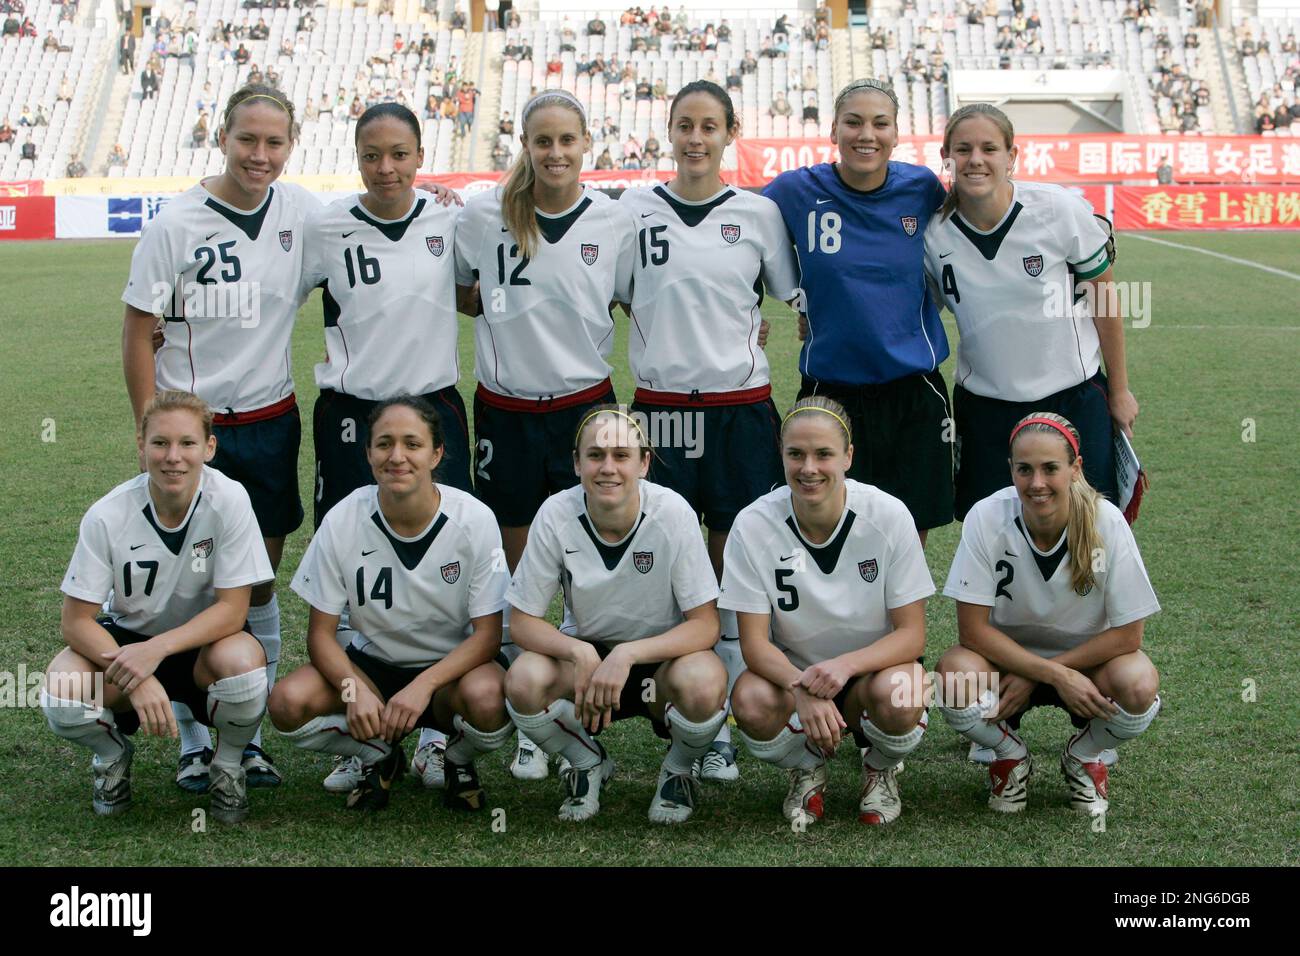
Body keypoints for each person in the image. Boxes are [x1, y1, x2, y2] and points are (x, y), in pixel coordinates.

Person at [121, 84, 320, 795]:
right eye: (247, 140)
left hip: (270, 423)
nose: (259, 155)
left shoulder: (301, 212)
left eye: (273, 142)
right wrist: (155, 430)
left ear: (290, 145)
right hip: (197, 431)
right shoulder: (176, 223)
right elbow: (137, 329)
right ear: (223, 137)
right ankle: (195, 741)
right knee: (192, 588)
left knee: (255, 584)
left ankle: (251, 736)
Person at [619, 81, 800, 782]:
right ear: (668, 131)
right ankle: (681, 713)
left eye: (709, 126)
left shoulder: (757, 214)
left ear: (730, 133)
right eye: (684, 125)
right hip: (660, 409)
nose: (695, 138)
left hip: (740, 410)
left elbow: (792, 294)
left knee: (730, 570)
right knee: (666, 569)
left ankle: (716, 722)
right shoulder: (631, 209)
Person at [453, 89, 636, 780]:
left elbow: (633, 298)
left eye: (567, 140)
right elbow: (462, 291)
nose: (555, 153)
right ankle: (534, 716)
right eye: (542, 141)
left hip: (585, 411)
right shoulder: (482, 216)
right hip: (505, 411)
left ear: (587, 142)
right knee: (522, 567)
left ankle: (578, 702)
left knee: (586, 571)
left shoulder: (615, 221)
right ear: (524, 145)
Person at [296, 103, 471, 792]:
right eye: (373, 154)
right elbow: (268, 289)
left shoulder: (450, 220)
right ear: (357, 157)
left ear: (420, 154)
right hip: (351, 412)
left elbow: (486, 295)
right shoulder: (327, 226)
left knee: (445, 555)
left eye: (400, 153)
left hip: (434, 409)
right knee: (346, 557)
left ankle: (433, 729)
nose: (387, 167)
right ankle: (357, 729)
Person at [40, 390, 274, 823]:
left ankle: (226, 765)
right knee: (63, 690)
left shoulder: (230, 499)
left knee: (244, 666)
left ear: (209, 447)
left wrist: (157, 652)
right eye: (160, 443)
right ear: (140, 445)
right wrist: (136, 677)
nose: (173, 457)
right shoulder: (107, 515)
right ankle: (111, 756)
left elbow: (232, 610)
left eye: (187, 443)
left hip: (206, 646)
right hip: (129, 645)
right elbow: (75, 622)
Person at [269, 397, 512, 810]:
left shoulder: (474, 519)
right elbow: (321, 637)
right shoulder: (344, 518)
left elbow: (487, 637)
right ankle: (376, 755)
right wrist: (353, 691)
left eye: (412, 444)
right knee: (287, 703)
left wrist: (423, 685)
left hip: (449, 675)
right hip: (373, 669)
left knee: (489, 701)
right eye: (384, 444)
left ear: (436, 453)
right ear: (368, 452)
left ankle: (456, 758)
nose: (396, 456)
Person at [504, 407, 728, 823]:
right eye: (595, 455)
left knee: (704, 681)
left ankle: (677, 771)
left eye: (622, 455)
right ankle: (586, 762)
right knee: (523, 680)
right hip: (586, 667)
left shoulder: (673, 513)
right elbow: (522, 621)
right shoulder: (555, 513)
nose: (608, 468)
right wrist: (580, 653)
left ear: (644, 463)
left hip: (659, 665)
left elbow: (705, 623)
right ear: (576, 463)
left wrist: (626, 655)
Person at [937, 413, 1161, 816]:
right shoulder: (986, 517)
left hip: (1088, 667)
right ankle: (1009, 755)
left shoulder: (1105, 521)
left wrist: (1047, 671)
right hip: (1005, 662)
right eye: (1024, 469)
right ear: (1011, 470)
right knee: (953, 675)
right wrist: (1048, 673)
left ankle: (1085, 755)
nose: (1036, 483)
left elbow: (1129, 636)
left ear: (1075, 469)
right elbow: (971, 632)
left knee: (1139, 683)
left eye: (1050, 468)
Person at [724, 397, 934, 825]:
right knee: (749, 700)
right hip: (793, 675)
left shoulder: (888, 516)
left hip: (870, 674)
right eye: (795, 454)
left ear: (848, 457)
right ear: (780, 455)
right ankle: (806, 767)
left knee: (905, 692)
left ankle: (880, 767)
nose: (809, 468)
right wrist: (801, 687)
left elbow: (912, 636)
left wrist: (844, 666)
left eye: (824, 454)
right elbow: (753, 643)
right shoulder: (753, 524)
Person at [923, 103, 1133, 527]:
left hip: (1070, 396)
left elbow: (1105, 299)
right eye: (963, 149)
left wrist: (1120, 390)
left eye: (989, 148)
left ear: (1012, 157)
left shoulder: (1057, 209)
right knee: (992, 531)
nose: (975, 159)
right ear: (946, 157)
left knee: (1090, 527)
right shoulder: (934, 234)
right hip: (984, 408)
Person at [764, 78, 954, 545]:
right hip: (830, 391)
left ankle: (903, 618)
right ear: (833, 130)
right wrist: (785, 301)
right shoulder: (795, 190)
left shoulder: (921, 187)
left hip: (912, 387)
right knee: (823, 524)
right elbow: (736, 235)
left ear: (895, 134)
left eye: (879, 123)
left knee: (907, 529)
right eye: (853, 122)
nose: (866, 134)